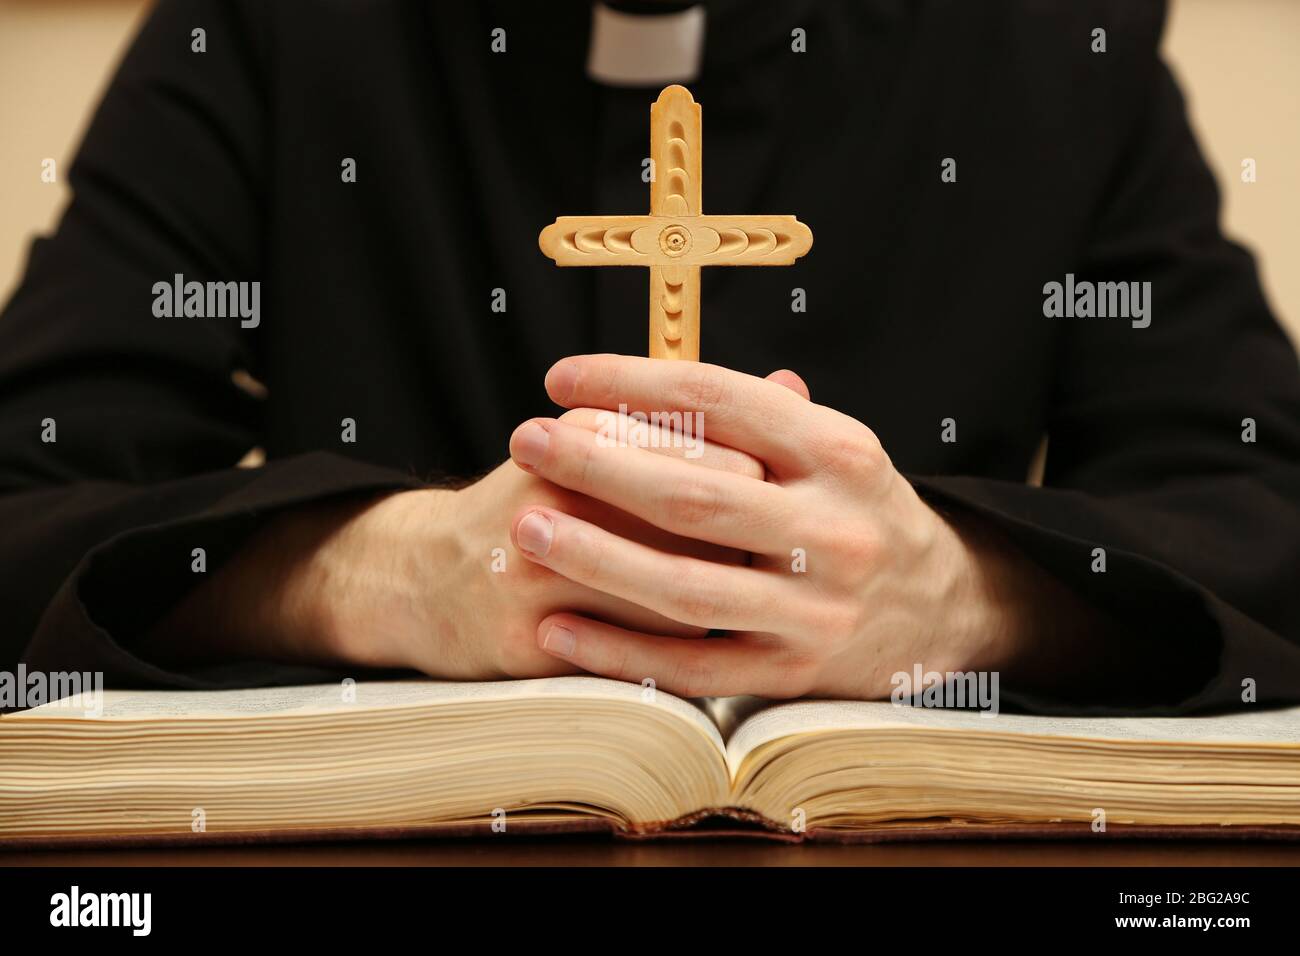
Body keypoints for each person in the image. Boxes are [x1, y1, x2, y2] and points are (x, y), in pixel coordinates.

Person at [1, 0, 1297, 714]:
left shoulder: (1055, 40)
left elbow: (1263, 512)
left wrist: (963, 598)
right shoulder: (274, 28)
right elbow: (25, 500)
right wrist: (385, 574)